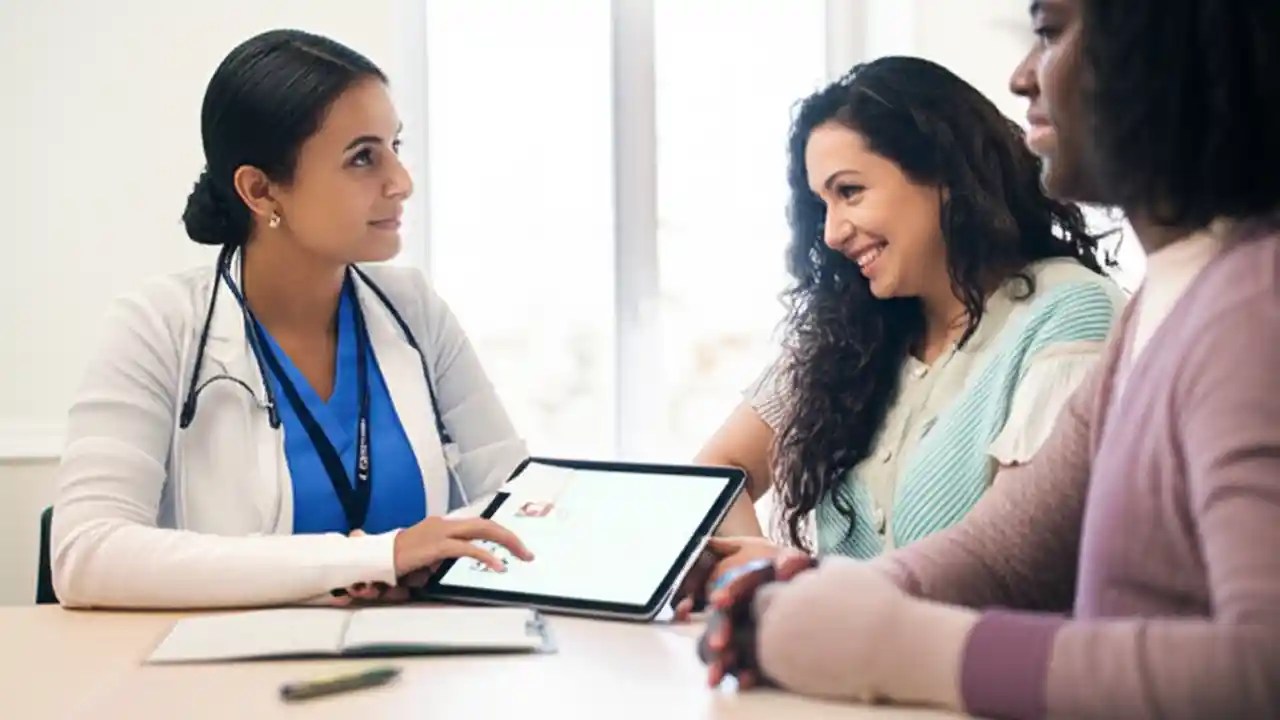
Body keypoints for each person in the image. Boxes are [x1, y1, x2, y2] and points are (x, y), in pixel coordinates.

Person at [698, 0, 1280, 717]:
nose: (1022, 77)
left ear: (1170, 43)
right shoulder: (1171, 301)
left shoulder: (1254, 308)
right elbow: (1005, 553)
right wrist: (807, 596)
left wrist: (891, 645)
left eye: (1050, 32)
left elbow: (1263, 666)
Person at [50, 29, 533, 609]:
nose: (400, 182)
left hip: (418, 683)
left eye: (394, 147)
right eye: (362, 157)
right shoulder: (157, 327)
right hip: (224, 689)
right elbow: (88, 555)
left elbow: (518, 500)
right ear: (260, 190)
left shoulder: (414, 310)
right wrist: (375, 555)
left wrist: (657, 573)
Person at [679, 55, 1124, 610]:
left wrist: (799, 580)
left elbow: (1021, 565)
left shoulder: (1070, 313)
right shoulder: (852, 333)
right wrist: (768, 571)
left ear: (943, 173)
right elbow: (717, 472)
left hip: (968, 689)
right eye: (822, 205)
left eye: (850, 192)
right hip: (837, 680)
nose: (834, 233)